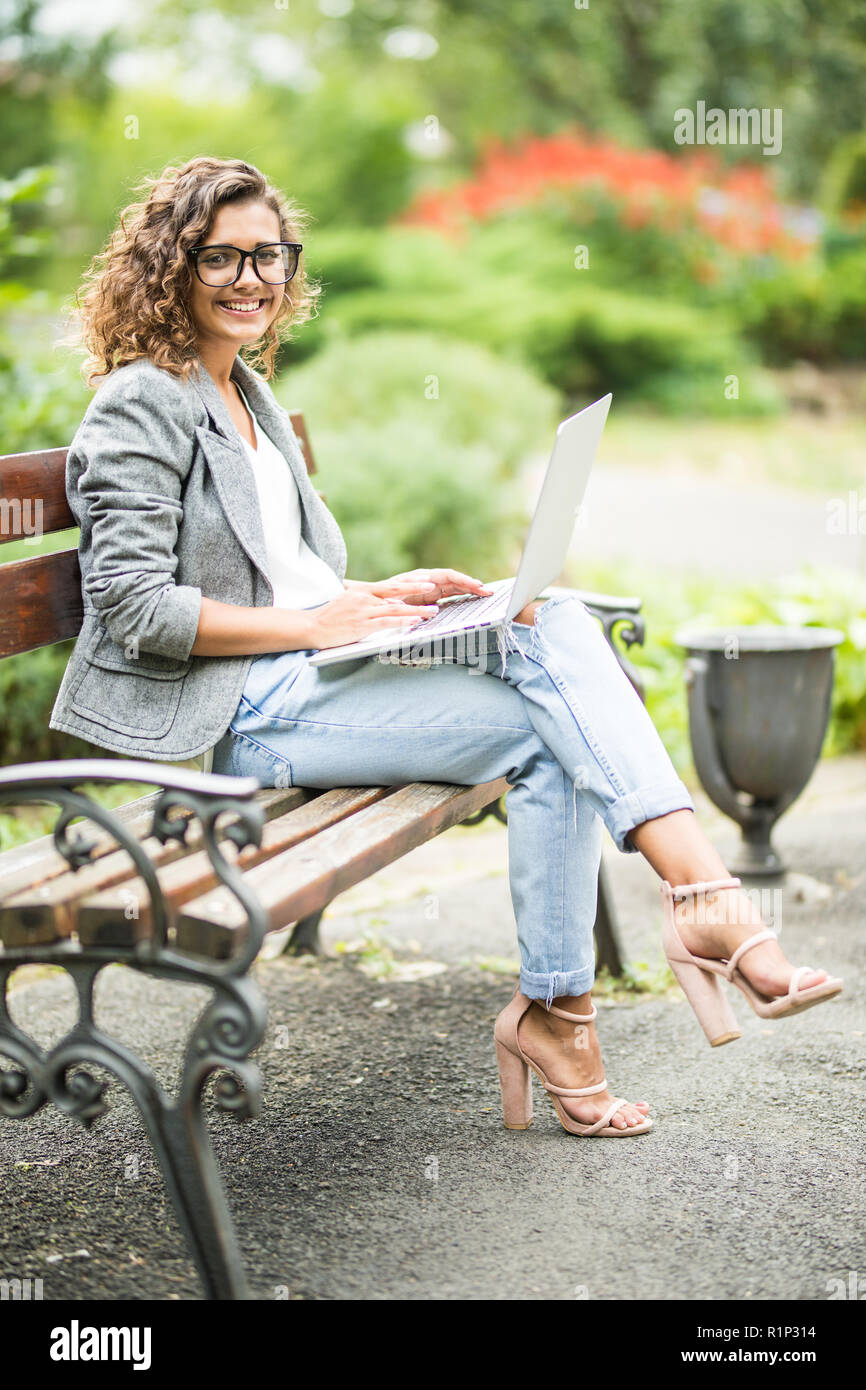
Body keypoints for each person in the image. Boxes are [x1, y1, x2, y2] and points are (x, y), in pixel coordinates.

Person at [51, 157, 843, 1140]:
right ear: (172, 267)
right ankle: (683, 920)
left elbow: (270, 569)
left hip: (314, 669)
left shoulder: (244, 392)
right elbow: (132, 607)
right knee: (548, 687)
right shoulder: (141, 402)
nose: (252, 277)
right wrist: (313, 624)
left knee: (544, 623)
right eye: (223, 256)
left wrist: (374, 594)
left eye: (269, 254)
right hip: (249, 710)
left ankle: (577, 1003)